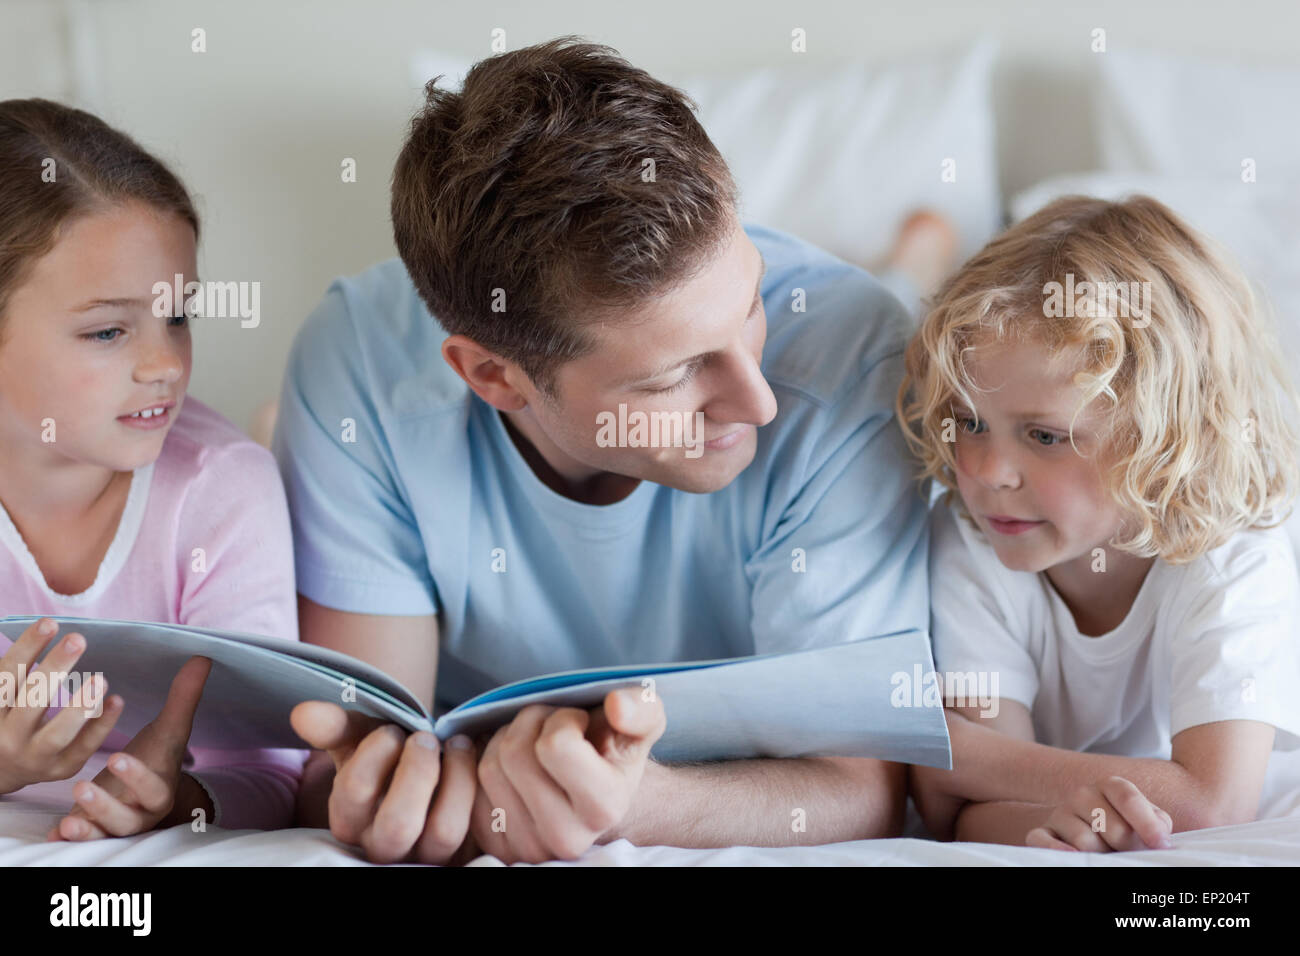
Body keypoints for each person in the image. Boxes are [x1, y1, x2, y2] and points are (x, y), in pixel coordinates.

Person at [275, 37, 931, 864]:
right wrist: (381, 795)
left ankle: (919, 255)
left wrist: (644, 805)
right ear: (492, 375)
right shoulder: (356, 363)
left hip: (861, 337)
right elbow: (371, 744)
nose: (757, 403)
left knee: (901, 314)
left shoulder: (852, 351)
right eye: (673, 376)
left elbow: (866, 788)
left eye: (751, 299)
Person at [900, 195, 1300, 851]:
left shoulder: (1236, 556)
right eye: (970, 422)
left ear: (1166, 437)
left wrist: (963, 755)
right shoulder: (976, 534)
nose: (989, 471)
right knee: (886, 312)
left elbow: (1214, 803)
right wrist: (1031, 814)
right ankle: (913, 264)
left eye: (1045, 435)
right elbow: (959, 819)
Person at [0, 98, 305, 838]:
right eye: (108, 330)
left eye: (178, 315)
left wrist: (179, 802)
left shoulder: (222, 491)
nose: (166, 363)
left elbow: (272, 772)